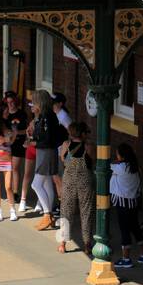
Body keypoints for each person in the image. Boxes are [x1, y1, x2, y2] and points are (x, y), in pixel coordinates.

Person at [57, 121, 95, 255]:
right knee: (86, 212)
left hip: (69, 181)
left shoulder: (65, 145)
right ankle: (87, 244)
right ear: (83, 133)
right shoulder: (88, 147)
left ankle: (62, 244)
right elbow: (93, 160)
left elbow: (63, 159)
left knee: (66, 211)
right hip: (85, 180)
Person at [111, 143, 143, 267]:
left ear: (122, 156)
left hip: (121, 203)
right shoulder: (135, 167)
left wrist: (115, 162)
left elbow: (105, 164)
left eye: (117, 153)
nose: (116, 155)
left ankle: (126, 259)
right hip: (133, 202)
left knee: (124, 230)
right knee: (135, 228)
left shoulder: (121, 168)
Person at [30, 91, 62, 231]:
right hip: (47, 151)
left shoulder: (46, 117)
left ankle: (47, 214)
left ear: (40, 102)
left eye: (34, 101)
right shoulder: (46, 116)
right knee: (47, 182)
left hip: (46, 152)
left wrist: (34, 143)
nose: (32, 104)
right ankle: (50, 217)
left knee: (36, 184)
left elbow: (47, 137)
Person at [2, 91, 28, 213]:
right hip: (9, 144)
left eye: (12, 102)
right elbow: (3, 128)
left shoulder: (22, 114)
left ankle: (16, 193)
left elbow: (27, 130)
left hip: (18, 143)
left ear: (16, 102)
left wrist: (17, 133)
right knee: (9, 168)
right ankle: (10, 191)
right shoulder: (6, 114)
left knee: (15, 168)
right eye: (8, 103)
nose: (10, 105)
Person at [51, 93, 72, 201]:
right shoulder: (54, 114)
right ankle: (60, 201)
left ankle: (64, 202)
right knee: (55, 176)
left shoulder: (64, 116)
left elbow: (71, 133)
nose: (52, 104)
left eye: (54, 102)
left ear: (60, 104)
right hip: (54, 148)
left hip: (60, 150)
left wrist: (65, 149)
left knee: (59, 176)